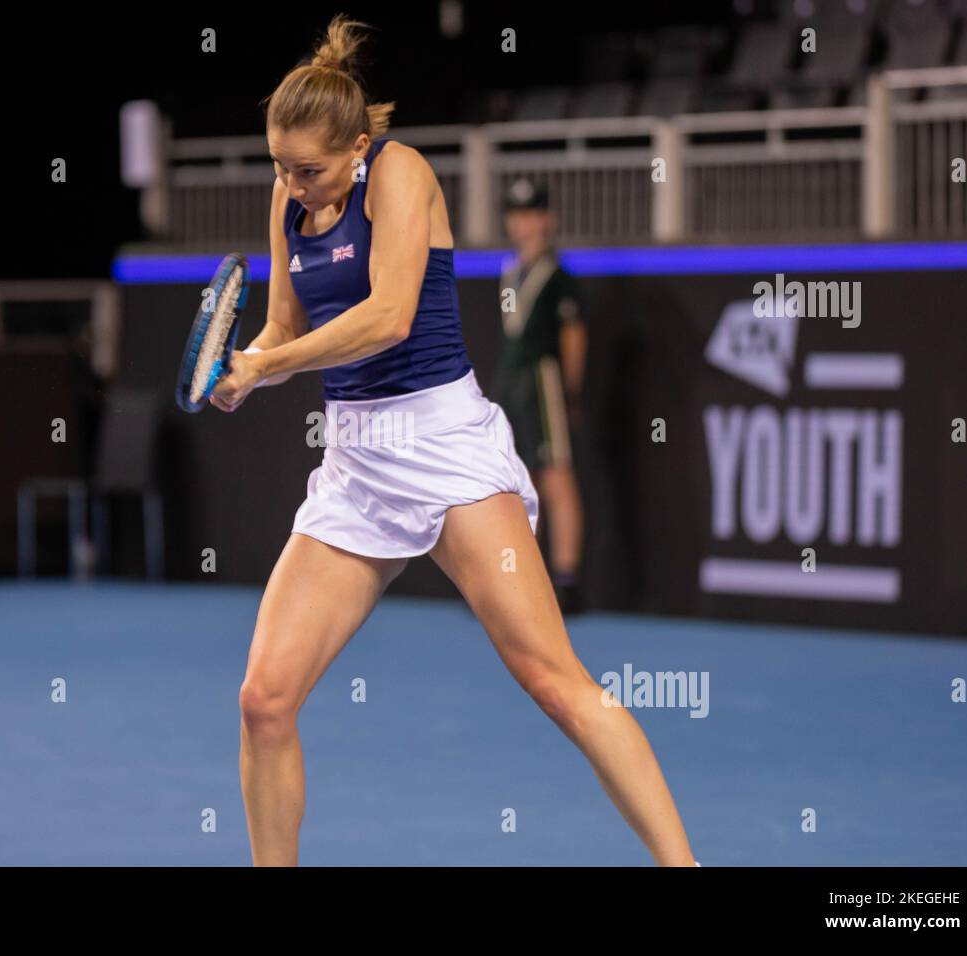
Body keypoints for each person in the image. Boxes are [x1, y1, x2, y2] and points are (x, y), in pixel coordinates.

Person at [210, 14, 698, 868]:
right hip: (356, 467)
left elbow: (390, 317)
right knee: (264, 699)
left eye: (311, 169)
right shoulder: (289, 197)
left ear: (360, 146)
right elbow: (284, 322)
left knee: (554, 681)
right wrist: (248, 365)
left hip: (446, 449)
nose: (294, 183)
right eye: (279, 166)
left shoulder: (402, 176)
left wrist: (271, 362)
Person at [493, 179, 587, 613]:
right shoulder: (509, 273)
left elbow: (572, 335)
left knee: (555, 475)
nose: (524, 223)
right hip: (511, 381)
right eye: (516, 215)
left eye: (531, 214)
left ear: (546, 219)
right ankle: (515, 578)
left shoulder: (558, 277)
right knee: (512, 481)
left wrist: (570, 390)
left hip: (543, 381)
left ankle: (566, 579)